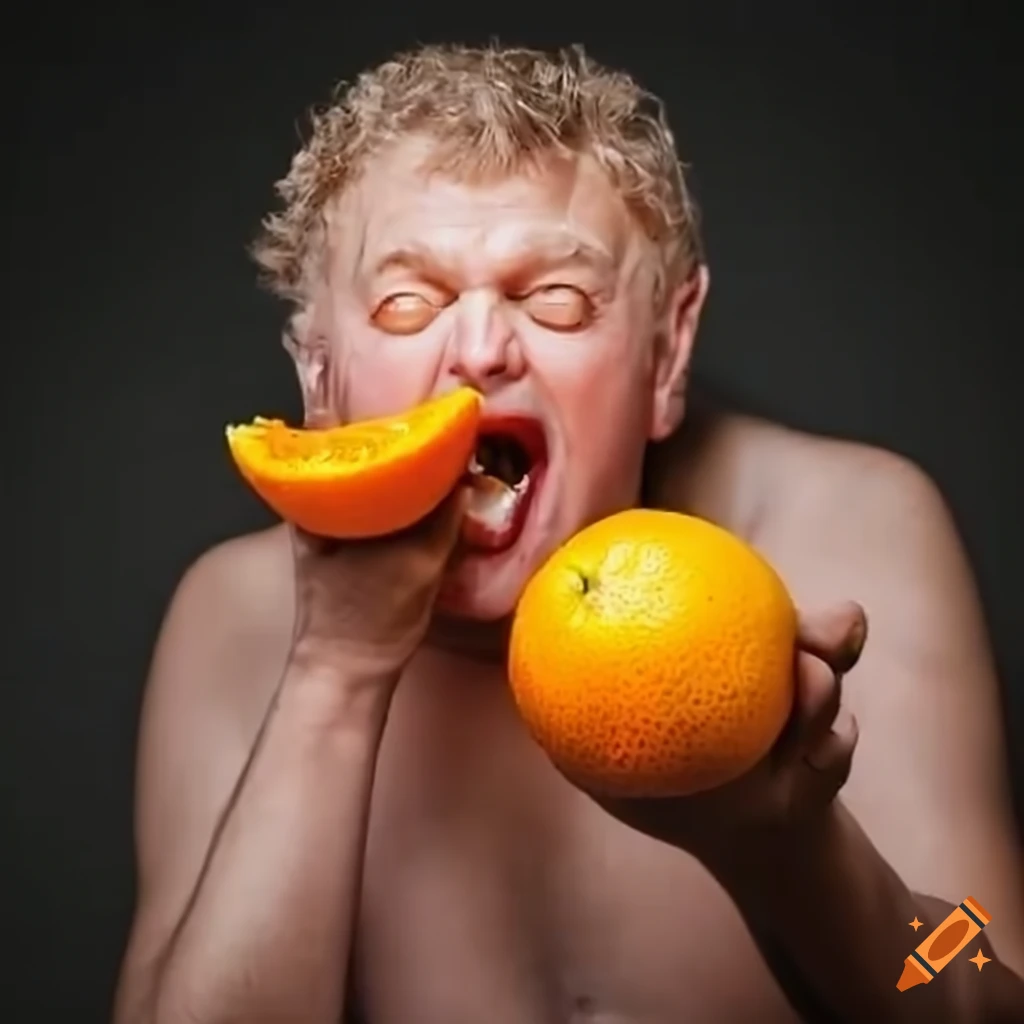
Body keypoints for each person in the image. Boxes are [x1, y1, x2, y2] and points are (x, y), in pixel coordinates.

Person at [113, 43, 1024, 1023]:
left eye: (553, 298)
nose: (476, 349)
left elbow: (974, 975)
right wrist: (334, 669)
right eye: (406, 302)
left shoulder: (848, 532)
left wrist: (789, 851)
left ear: (667, 352)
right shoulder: (237, 619)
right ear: (319, 378)